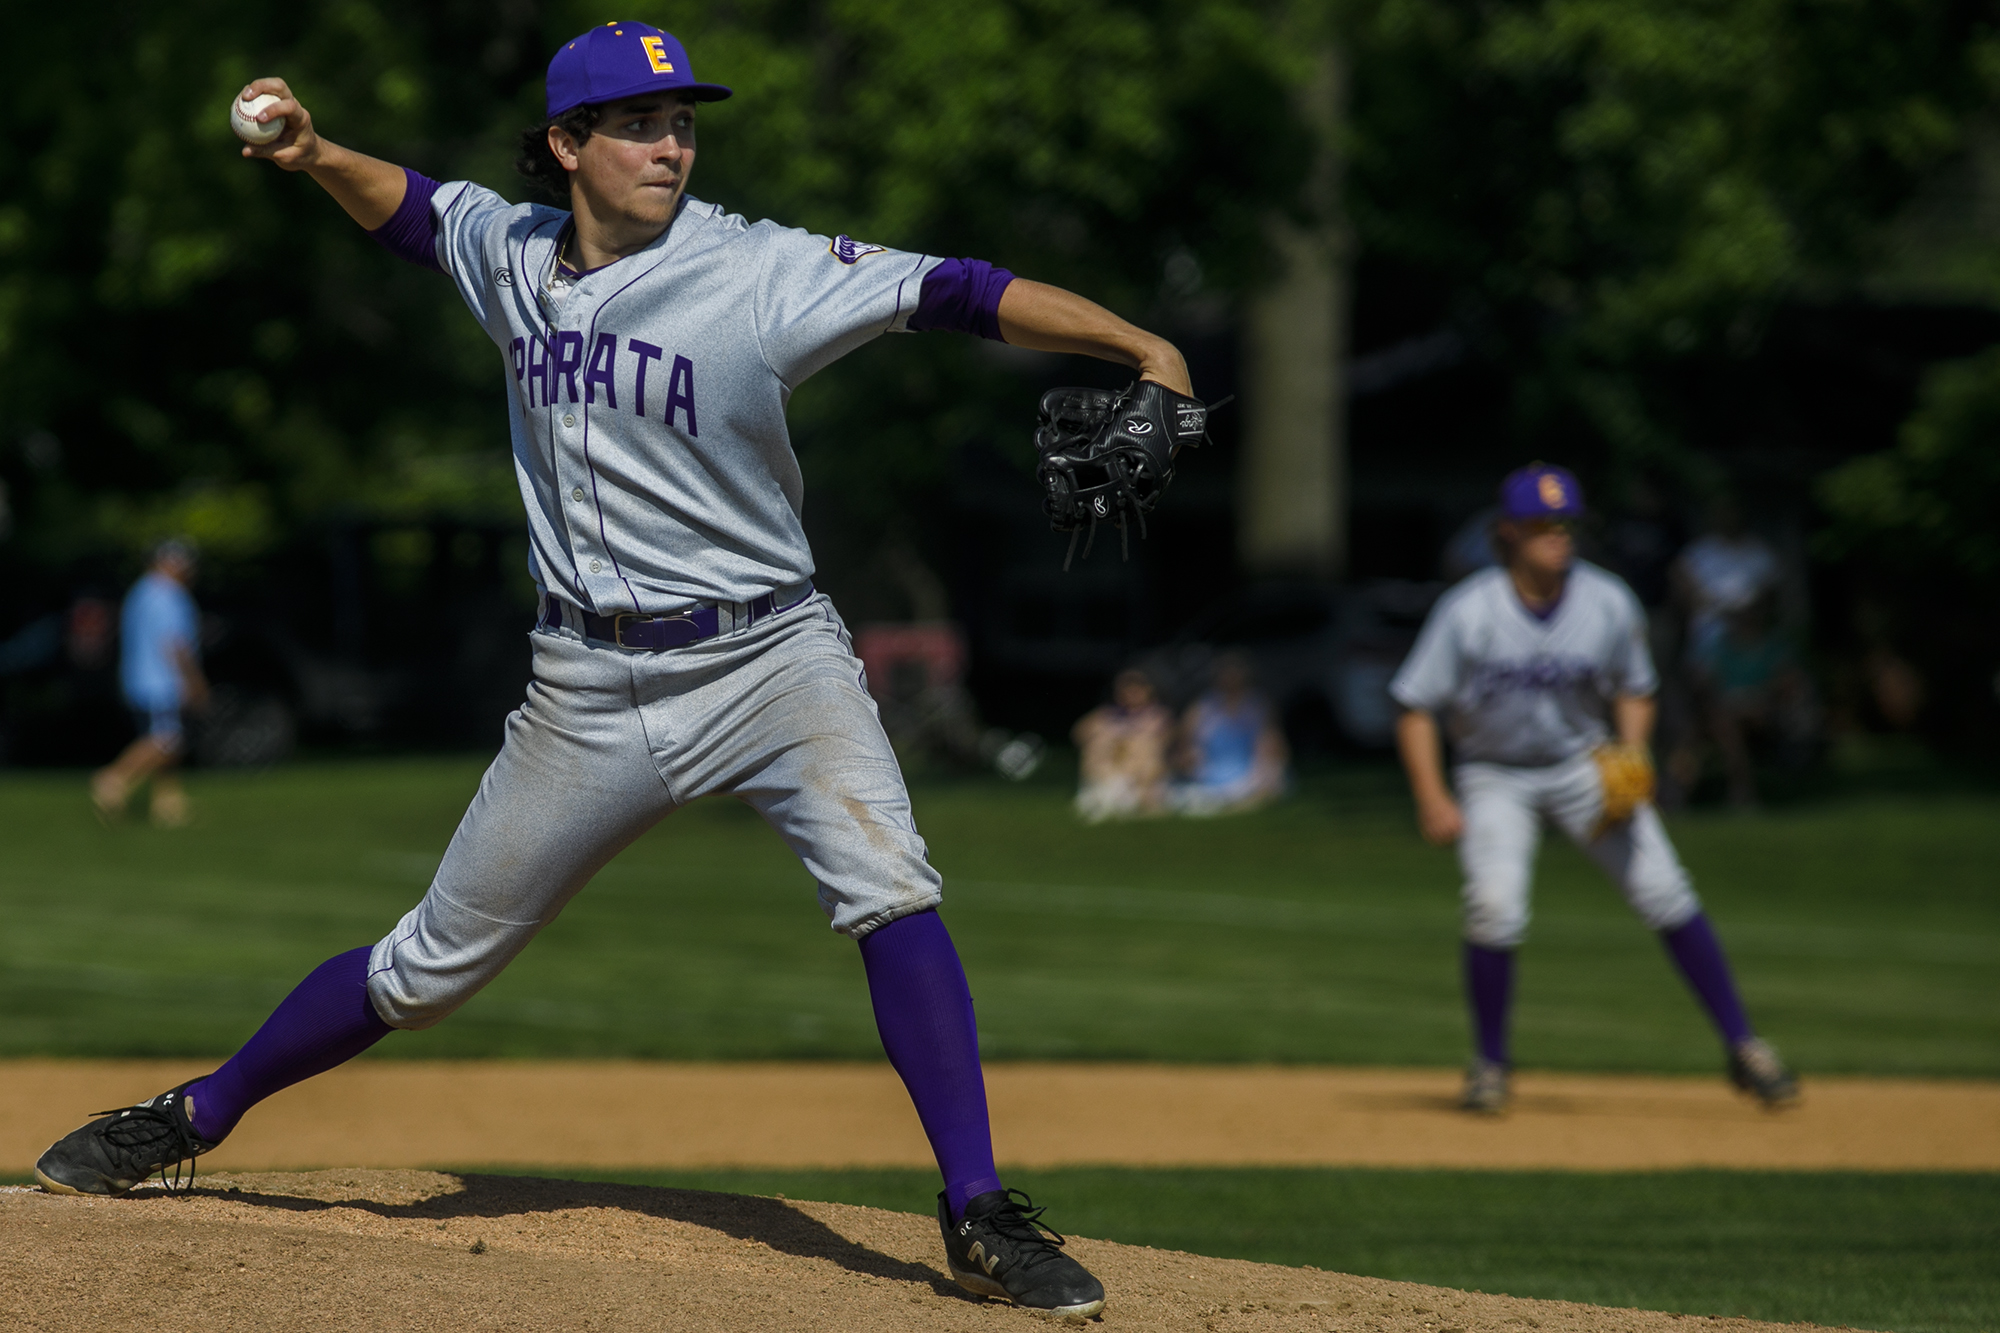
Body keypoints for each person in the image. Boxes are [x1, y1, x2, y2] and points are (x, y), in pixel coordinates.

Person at [31, 24, 1207, 1319]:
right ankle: (194, 1114)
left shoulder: (756, 267)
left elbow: (961, 291)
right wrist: (314, 155)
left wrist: (1146, 348)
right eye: (641, 123)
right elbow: (420, 216)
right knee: (425, 968)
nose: (671, 144)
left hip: (772, 658)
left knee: (891, 887)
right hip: (582, 691)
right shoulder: (514, 255)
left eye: (683, 121)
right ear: (565, 147)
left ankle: (978, 1209)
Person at [1388, 463, 1797, 1114]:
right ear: (1509, 533)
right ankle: (1490, 1065)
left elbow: (1635, 686)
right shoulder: (1469, 610)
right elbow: (1414, 704)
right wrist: (1432, 797)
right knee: (1494, 906)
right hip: (1495, 774)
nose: (1559, 535)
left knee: (1665, 890)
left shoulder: (1606, 600)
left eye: (1567, 523)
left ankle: (1746, 1047)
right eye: (1543, 524)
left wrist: (1631, 749)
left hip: (1583, 767)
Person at [90, 541, 209, 827]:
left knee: (167, 740)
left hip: (138, 677)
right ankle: (114, 777)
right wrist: (194, 681)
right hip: (162, 680)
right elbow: (176, 645)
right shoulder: (169, 596)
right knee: (166, 739)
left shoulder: (140, 592)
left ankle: (167, 801)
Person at [1169, 654, 1287, 815]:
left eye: (1235, 672)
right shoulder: (1204, 706)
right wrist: (1187, 753)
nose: (1230, 677)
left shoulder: (1258, 705)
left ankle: (1244, 799)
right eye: (1225, 672)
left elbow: (1272, 738)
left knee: (1272, 775)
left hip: (1251, 768)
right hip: (1211, 770)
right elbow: (1185, 738)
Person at [1071, 667, 1174, 822]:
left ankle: (1136, 798)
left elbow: (1165, 742)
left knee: (1144, 744)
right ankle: (1107, 791)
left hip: (1140, 779)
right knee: (1100, 740)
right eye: (1127, 688)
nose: (1131, 693)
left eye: (1136, 688)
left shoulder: (1157, 716)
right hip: (1109, 774)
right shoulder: (1106, 715)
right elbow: (1079, 733)